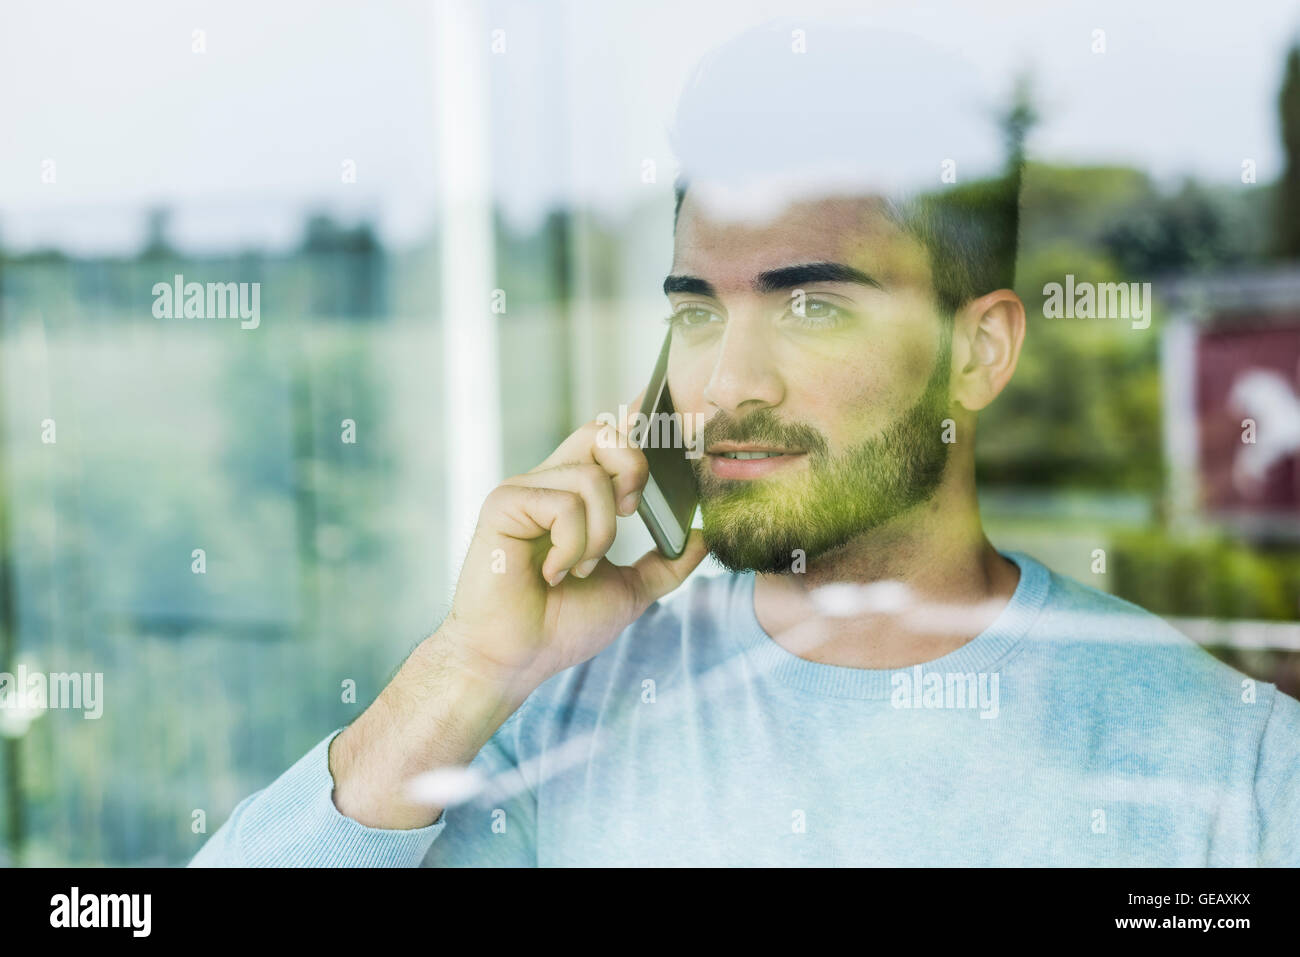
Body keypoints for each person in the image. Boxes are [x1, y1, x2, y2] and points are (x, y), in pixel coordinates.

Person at [191, 18, 1300, 867]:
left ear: (978, 353)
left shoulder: (1232, 768)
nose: (725, 384)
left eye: (813, 307)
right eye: (697, 312)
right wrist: (468, 669)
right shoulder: (552, 711)